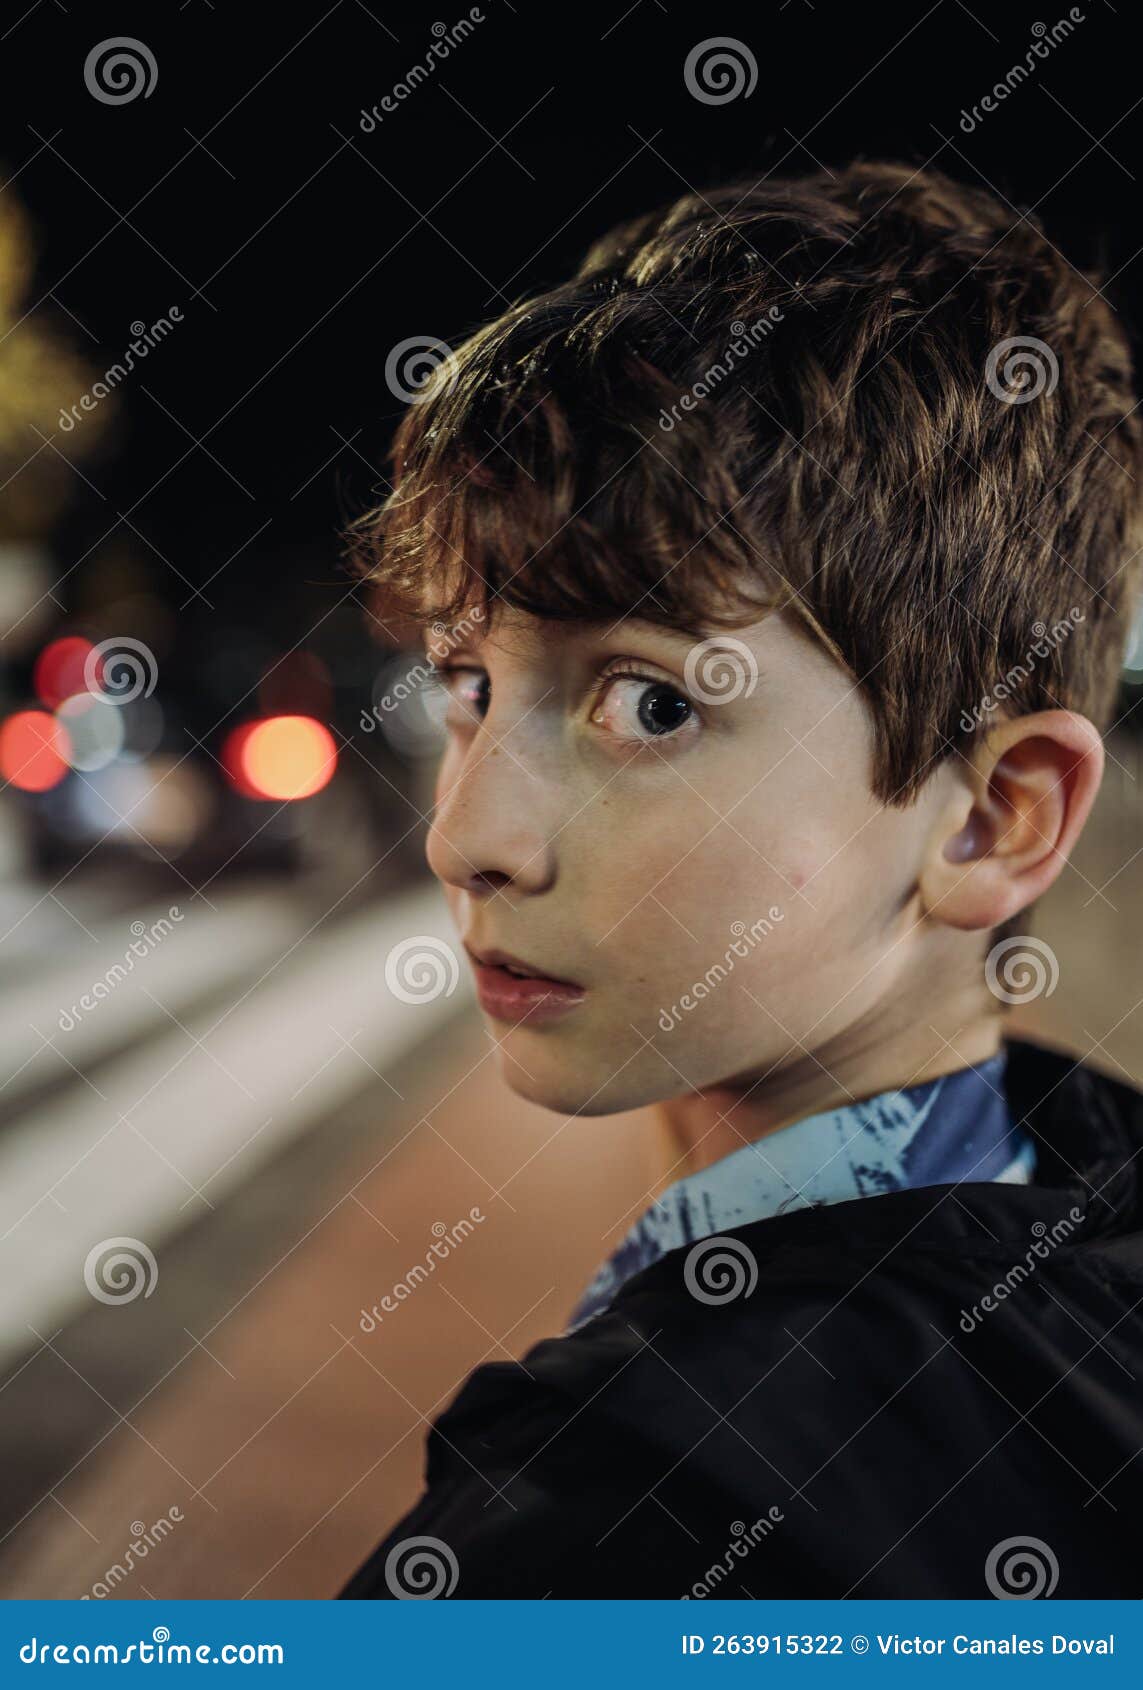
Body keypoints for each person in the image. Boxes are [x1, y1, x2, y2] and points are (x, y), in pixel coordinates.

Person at [338, 162, 1143, 1599]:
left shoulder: (631, 1516)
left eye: (651, 704)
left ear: (992, 819)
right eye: (468, 683)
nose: (469, 838)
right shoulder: (1086, 1228)